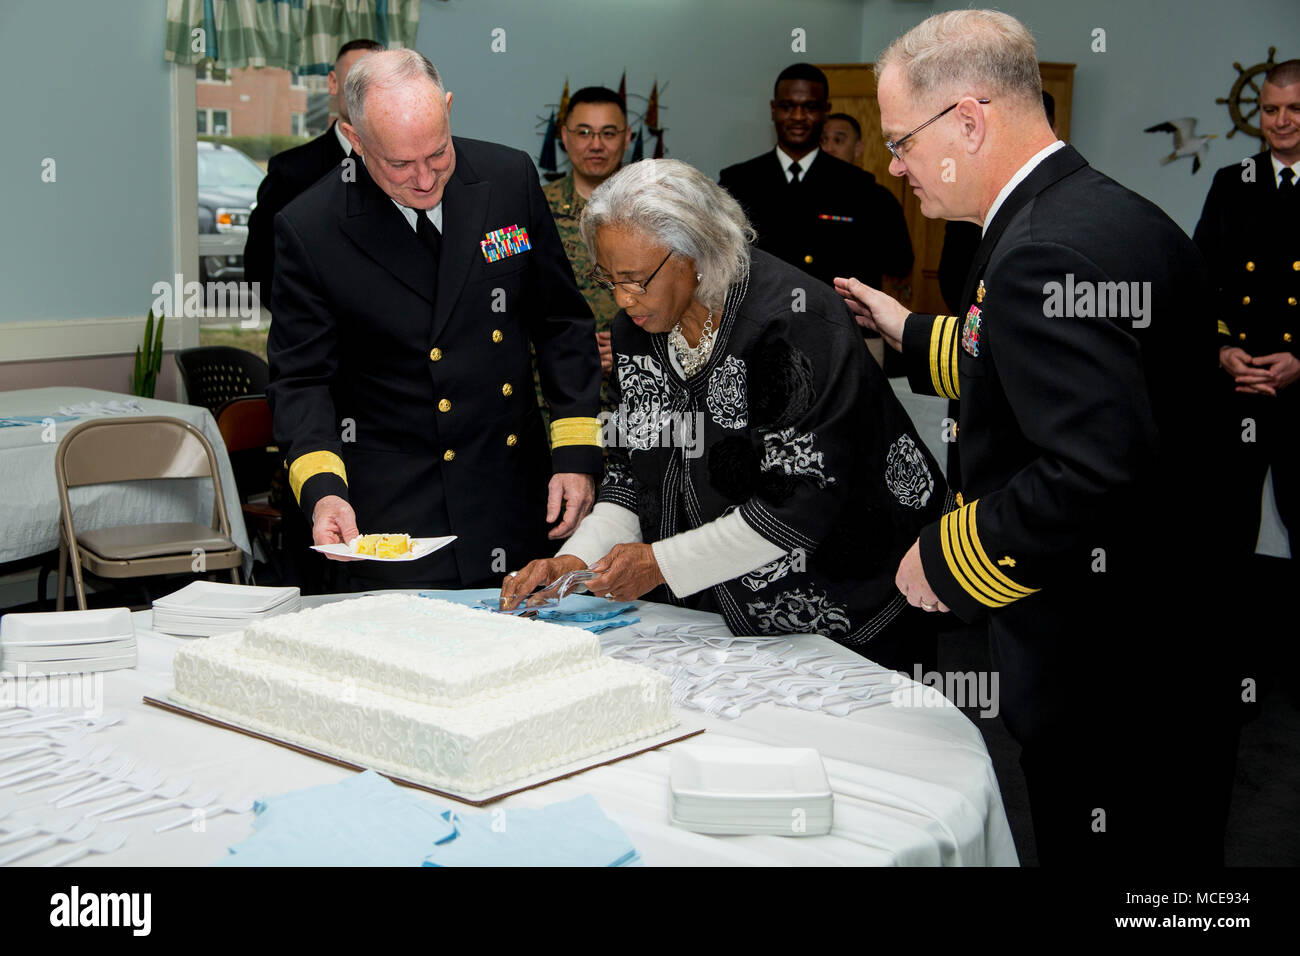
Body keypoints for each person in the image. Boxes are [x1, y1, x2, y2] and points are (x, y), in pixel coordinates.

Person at [835, 10, 1236, 865]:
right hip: (1174, 638)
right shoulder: (1105, 214)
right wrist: (909, 330)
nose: (896, 164)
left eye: (902, 140)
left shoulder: (1040, 252)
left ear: (969, 121)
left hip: (1112, 667)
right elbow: (1033, 376)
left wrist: (949, 555)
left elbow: (1095, 473)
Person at [500, 159, 948, 674]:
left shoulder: (793, 324)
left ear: (695, 253)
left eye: (635, 279)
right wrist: (573, 564)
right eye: (608, 278)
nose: (623, 300)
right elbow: (632, 473)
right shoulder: (638, 330)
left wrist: (659, 564)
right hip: (718, 616)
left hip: (850, 603)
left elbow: (798, 503)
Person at [267, 50, 603, 592]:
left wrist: (576, 453)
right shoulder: (312, 228)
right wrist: (324, 489)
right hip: (395, 512)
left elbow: (561, 321)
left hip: (509, 491)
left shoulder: (508, 178)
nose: (424, 179)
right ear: (355, 140)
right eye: (399, 164)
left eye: (438, 153)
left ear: (447, 110)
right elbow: (302, 380)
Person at [1194, 59, 1300, 561]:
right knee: (1224, 527)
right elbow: (1200, 282)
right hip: (1237, 387)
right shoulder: (1232, 182)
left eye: (1295, 108)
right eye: (1271, 109)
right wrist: (1222, 349)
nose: (1282, 120)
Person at [719, 64, 913, 295]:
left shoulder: (859, 187)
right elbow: (721, 262)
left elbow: (897, 262)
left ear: (826, 111)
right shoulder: (739, 181)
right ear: (773, 110)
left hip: (833, 320)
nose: (798, 116)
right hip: (761, 321)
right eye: (787, 106)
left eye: (810, 107)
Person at [244, 39, 384, 299]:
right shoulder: (291, 172)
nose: (364, 91)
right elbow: (260, 267)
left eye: (376, 80)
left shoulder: (412, 167)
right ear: (332, 83)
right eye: (354, 79)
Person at [541, 86, 634, 415]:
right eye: (584, 132)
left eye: (608, 133)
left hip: (639, 398)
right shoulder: (534, 208)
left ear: (627, 137)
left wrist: (631, 344)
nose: (596, 144)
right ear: (564, 137)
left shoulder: (654, 211)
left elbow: (687, 299)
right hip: (553, 397)